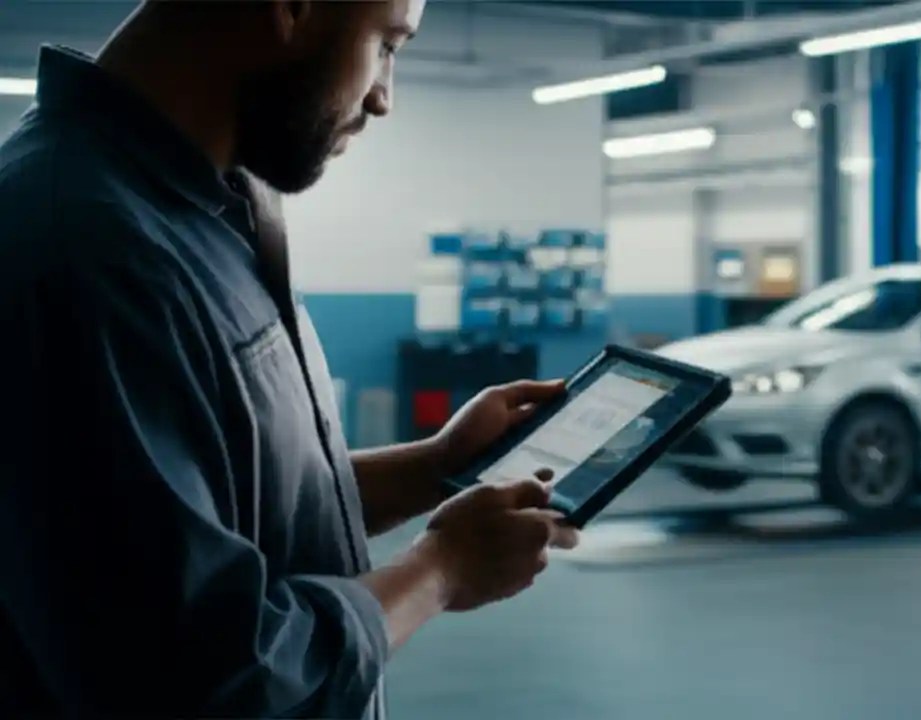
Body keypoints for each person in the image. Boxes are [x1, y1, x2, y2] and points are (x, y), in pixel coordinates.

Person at [0, 1, 578, 717]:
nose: (382, 97)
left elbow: (220, 514)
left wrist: (435, 466)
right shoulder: (86, 250)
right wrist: (441, 570)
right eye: (387, 44)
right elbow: (207, 681)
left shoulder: (210, 211)